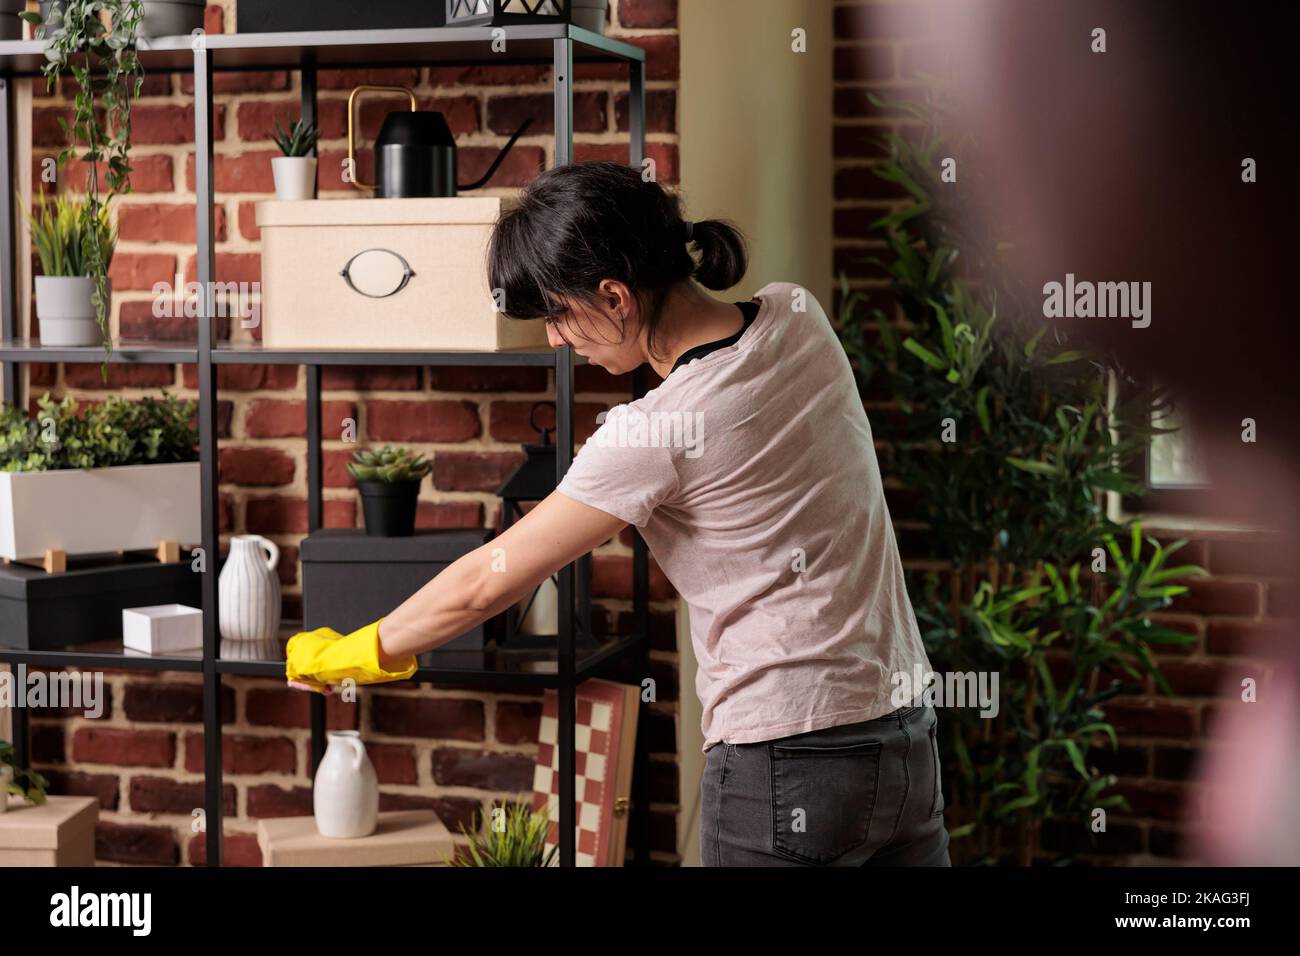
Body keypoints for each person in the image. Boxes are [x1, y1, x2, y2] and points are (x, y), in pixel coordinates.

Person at [286, 161, 950, 866]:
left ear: (614, 295)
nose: (553, 338)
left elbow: (489, 579)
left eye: (557, 312)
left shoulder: (653, 430)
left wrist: (357, 652)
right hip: (902, 739)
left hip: (783, 758)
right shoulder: (797, 314)